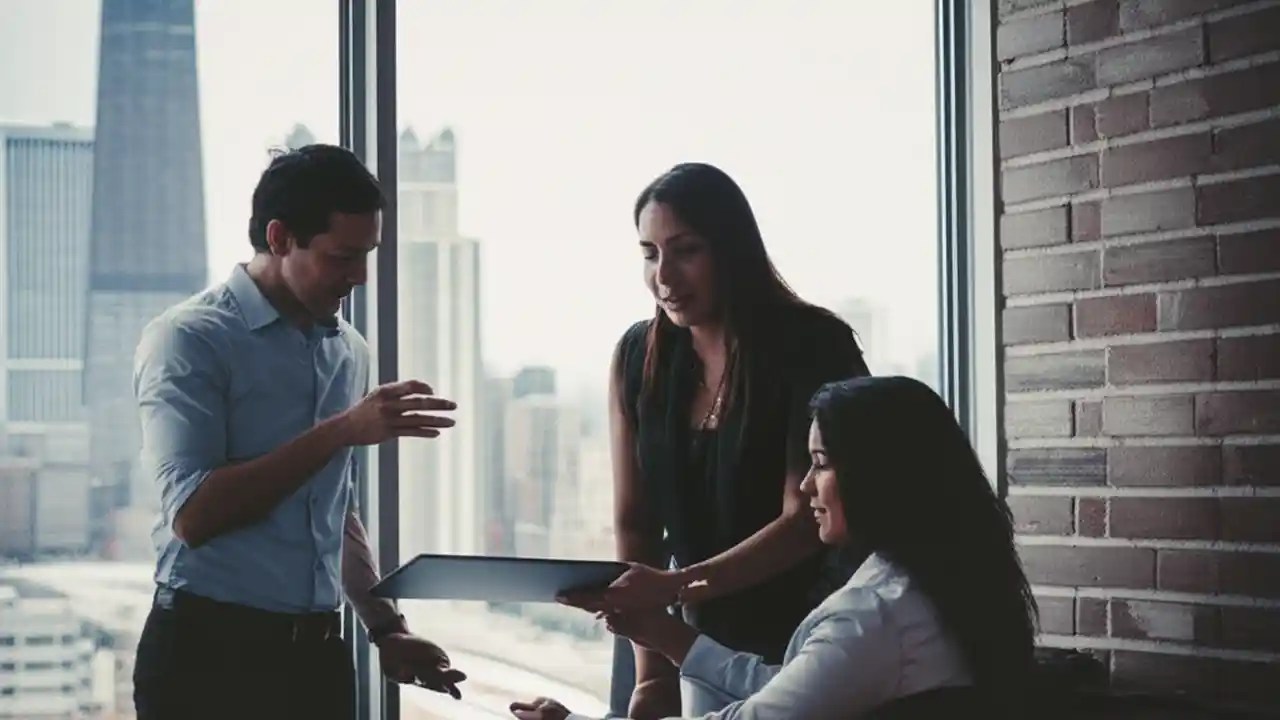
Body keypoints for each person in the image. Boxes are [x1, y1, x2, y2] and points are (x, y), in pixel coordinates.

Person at [131, 144, 466, 720]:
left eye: (368, 255)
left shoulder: (347, 351)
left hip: (317, 659)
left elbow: (331, 507)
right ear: (281, 237)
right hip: (206, 659)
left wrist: (386, 629)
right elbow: (193, 516)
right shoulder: (191, 339)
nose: (359, 277)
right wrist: (341, 430)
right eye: (342, 257)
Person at [513, 375, 1038, 719]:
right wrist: (668, 634)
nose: (807, 486)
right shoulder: (932, 586)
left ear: (879, 474)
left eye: (821, 462)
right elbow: (790, 685)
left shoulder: (874, 616)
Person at [559, 163, 870, 718]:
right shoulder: (638, 358)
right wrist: (652, 670)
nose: (664, 278)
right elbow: (635, 523)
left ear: (731, 250)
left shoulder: (811, 344)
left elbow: (804, 521)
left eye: (686, 251)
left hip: (805, 636)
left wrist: (673, 590)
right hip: (680, 637)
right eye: (650, 254)